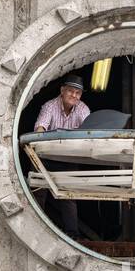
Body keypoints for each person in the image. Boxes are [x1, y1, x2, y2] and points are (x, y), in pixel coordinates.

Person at [33, 75, 90, 238]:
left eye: (78, 93)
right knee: (39, 191)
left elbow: (89, 129)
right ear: (62, 91)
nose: (74, 96)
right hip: (44, 155)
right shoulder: (50, 106)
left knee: (69, 195)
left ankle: (73, 234)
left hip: (67, 156)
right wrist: (41, 139)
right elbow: (40, 128)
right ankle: (37, 231)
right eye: (71, 91)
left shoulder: (82, 109)